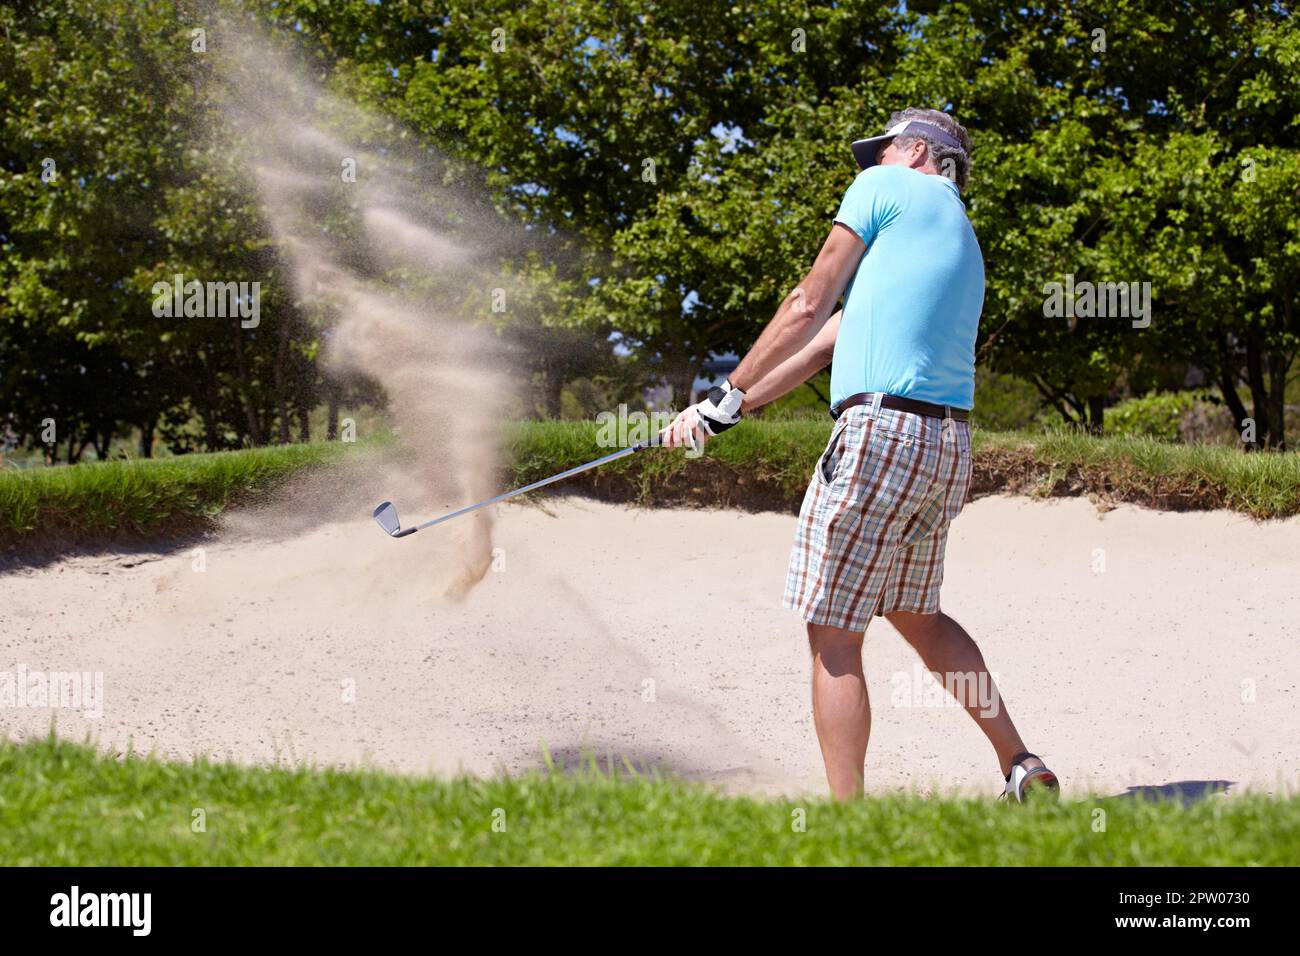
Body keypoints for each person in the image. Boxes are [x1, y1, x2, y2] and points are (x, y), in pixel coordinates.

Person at [661, 107, 1059, 803]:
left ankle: (851, 826)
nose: (869, 167)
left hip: (880, 438)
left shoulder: (885, 189)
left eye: (880, 153)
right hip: (945, 446)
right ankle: (1023, 766)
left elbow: (807, 303)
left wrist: (724, 387)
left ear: (914, 153)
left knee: (835, 635)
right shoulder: (956, 239)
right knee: (920, 617)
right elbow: (821, 346)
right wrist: (726, 409)